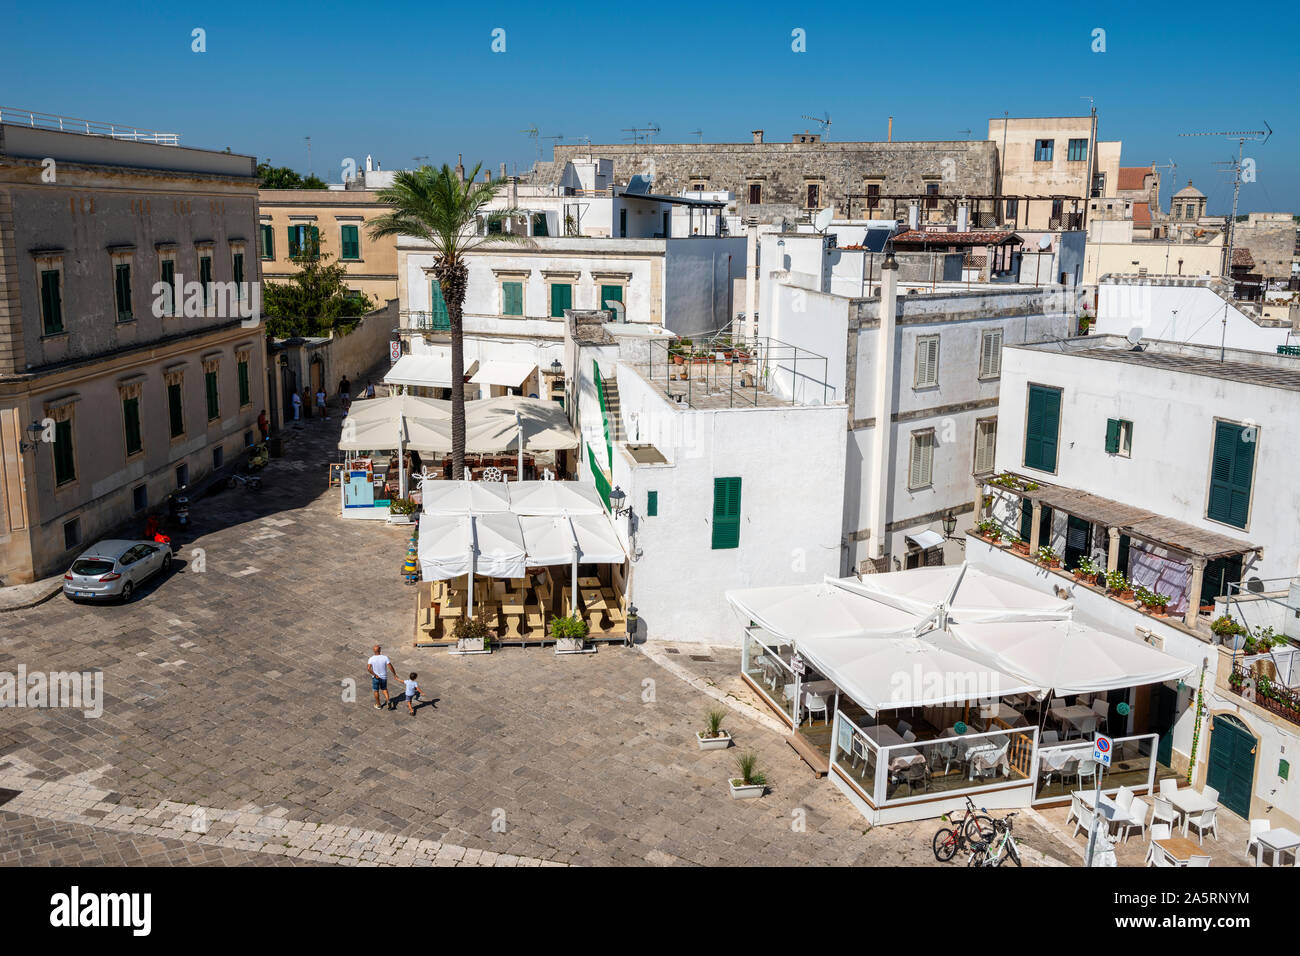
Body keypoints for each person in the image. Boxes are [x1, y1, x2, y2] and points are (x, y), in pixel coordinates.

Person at [367, 645, 396, 710]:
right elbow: (390, 666)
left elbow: (368, 668)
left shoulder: (371, 659)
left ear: (374, 651)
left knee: (376, 691)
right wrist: (394, 674)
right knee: (384, 689)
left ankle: (378, 705)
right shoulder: (385, 658)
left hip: (375, 678)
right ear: (380, 650)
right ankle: (388, 700)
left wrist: (374, 675)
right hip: (384, 677)